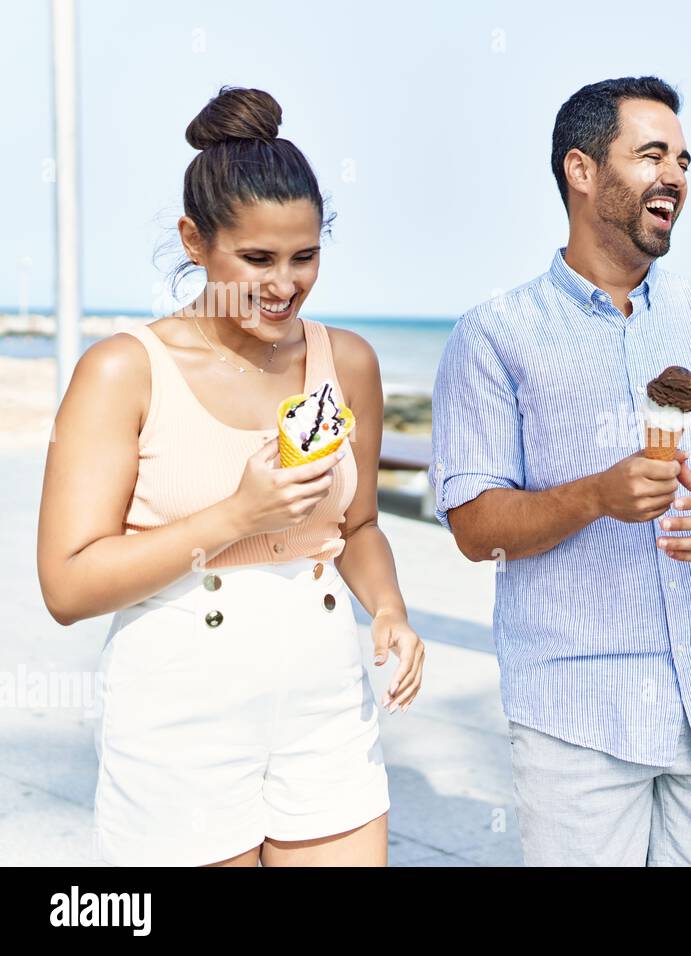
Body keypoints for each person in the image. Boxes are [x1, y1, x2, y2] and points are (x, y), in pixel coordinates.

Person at [36, 86, 425, 867]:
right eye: (257, 259)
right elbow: (67, 588)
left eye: (305, 256)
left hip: (324, 706)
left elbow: (357, 529)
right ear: (193, 240)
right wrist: (236, 515)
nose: (285, 284)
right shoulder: (125, 372)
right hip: (179, 714)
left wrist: (387, 607)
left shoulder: (344, 362)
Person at [430, 76, 691, 866]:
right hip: (580, 714)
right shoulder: (493, 335)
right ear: (583, 170)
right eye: (651, 155)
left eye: (684, 159)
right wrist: (595, 495)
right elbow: (474, 525)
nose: (676, 176)